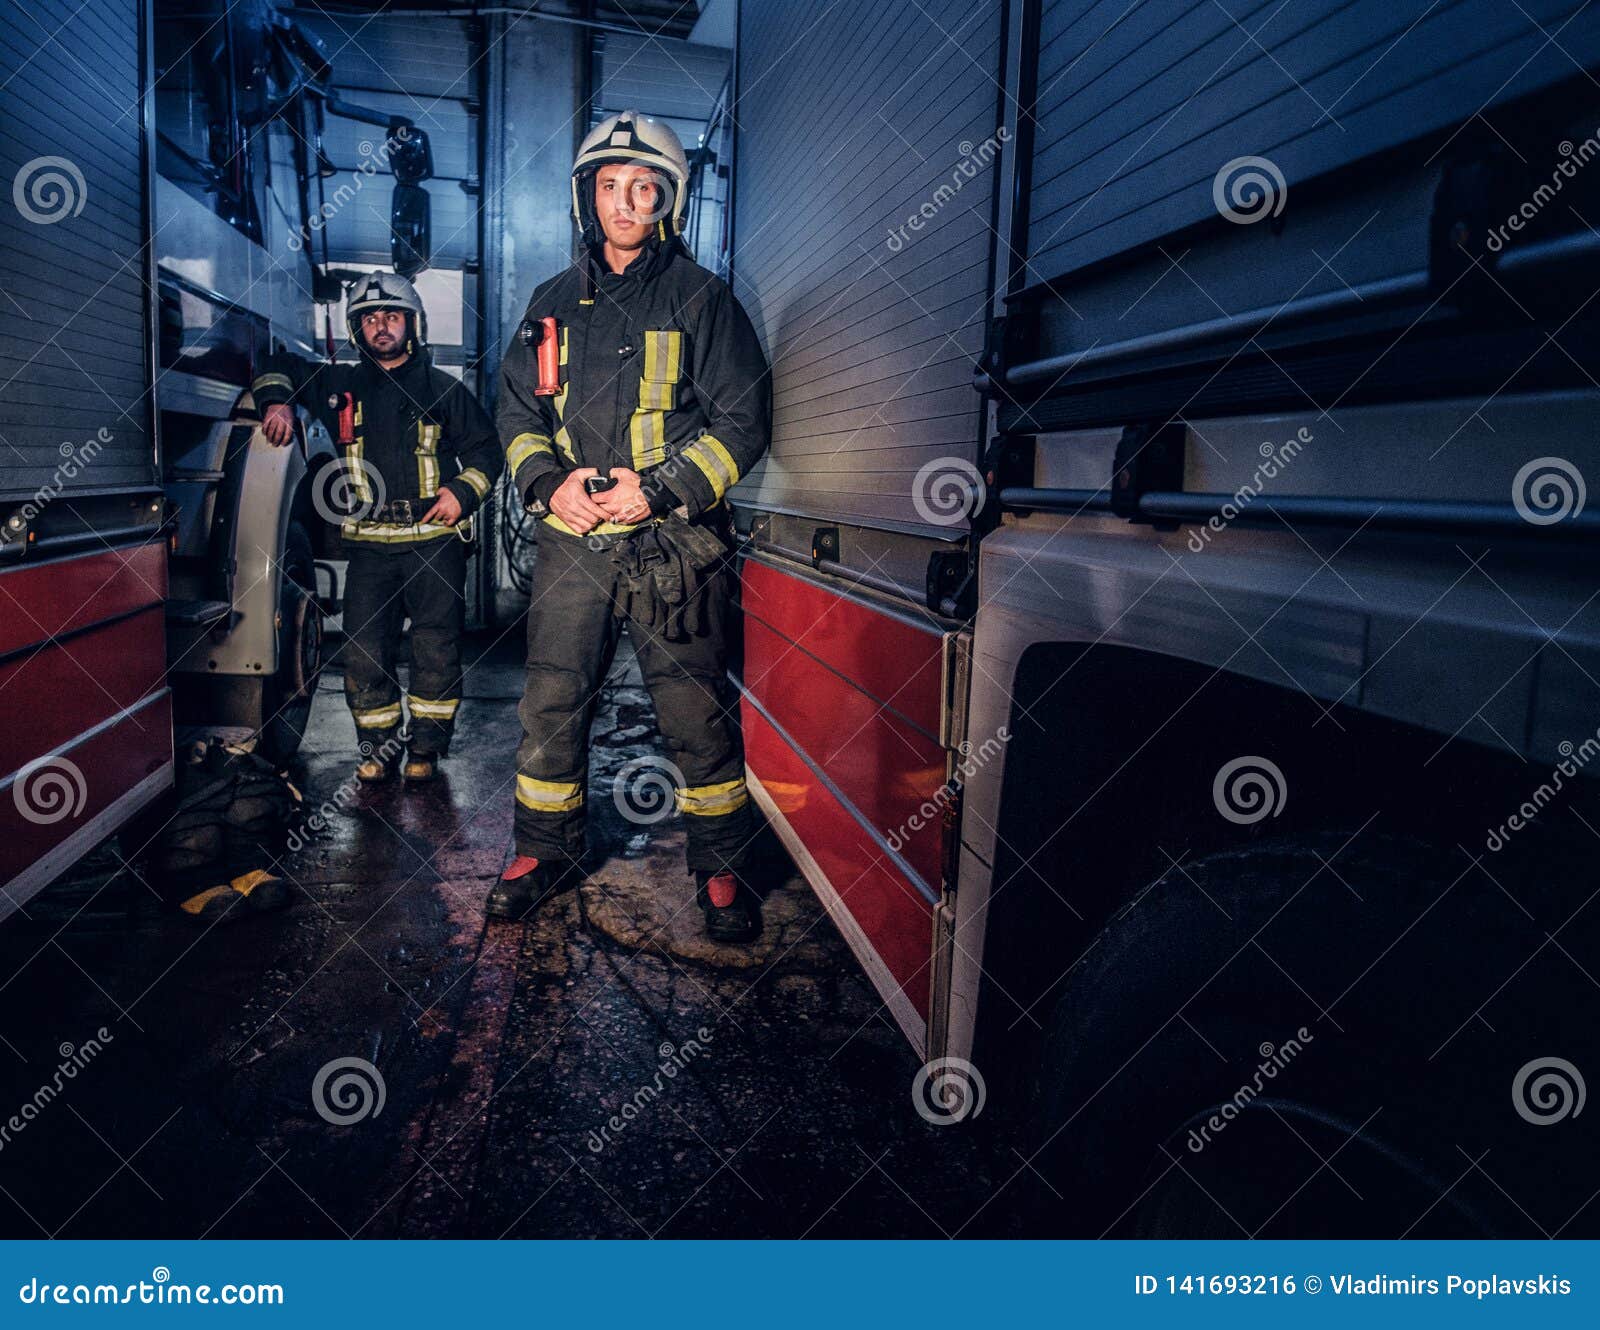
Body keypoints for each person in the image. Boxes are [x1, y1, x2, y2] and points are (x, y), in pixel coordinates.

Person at [493, 110, 772, 940]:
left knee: (693, 710)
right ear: (587, 196)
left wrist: (663, 492)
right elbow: (516, 413)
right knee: (552, 699)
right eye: (609, 186)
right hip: (572, 541)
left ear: (668, 203)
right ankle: (545, 850)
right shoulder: (548, 303)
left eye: (643, 188)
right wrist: (548, 483)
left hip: (670, 548)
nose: (625, 201)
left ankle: (721, 865)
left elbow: (746, 422)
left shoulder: (703, 300)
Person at [254, 272, 500, 784]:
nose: (380, 326)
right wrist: (275, 401)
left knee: (436, 648)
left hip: (435, 544)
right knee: (365, 651)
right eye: (369, 319)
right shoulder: (339, 386)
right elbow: (276, 364)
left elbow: (486, 451)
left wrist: (461, 492)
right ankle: (377, 749)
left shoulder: (444, 390)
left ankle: (426, 751)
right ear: (357, 329)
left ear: (413, 325)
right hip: (368, 549)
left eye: (391, 316)